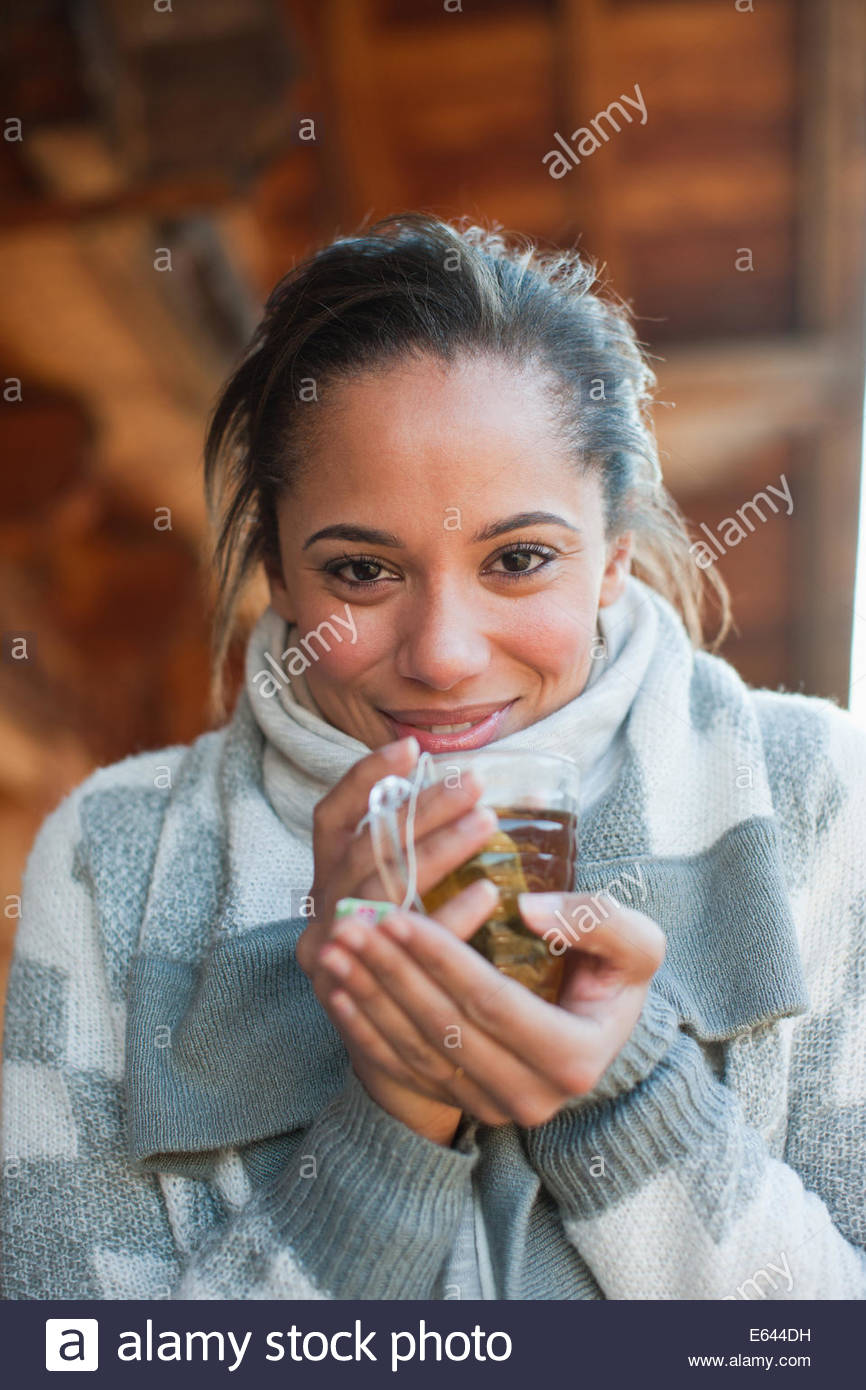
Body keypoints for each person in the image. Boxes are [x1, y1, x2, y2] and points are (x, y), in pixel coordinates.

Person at [2, 214, 864, 1301]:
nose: (445, 656)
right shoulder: (114, 858)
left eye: (518, 559)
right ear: (276, 565)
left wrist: (625, 1090)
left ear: (611, 559)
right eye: (362, 571)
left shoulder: (813, 799)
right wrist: (383, 1134)